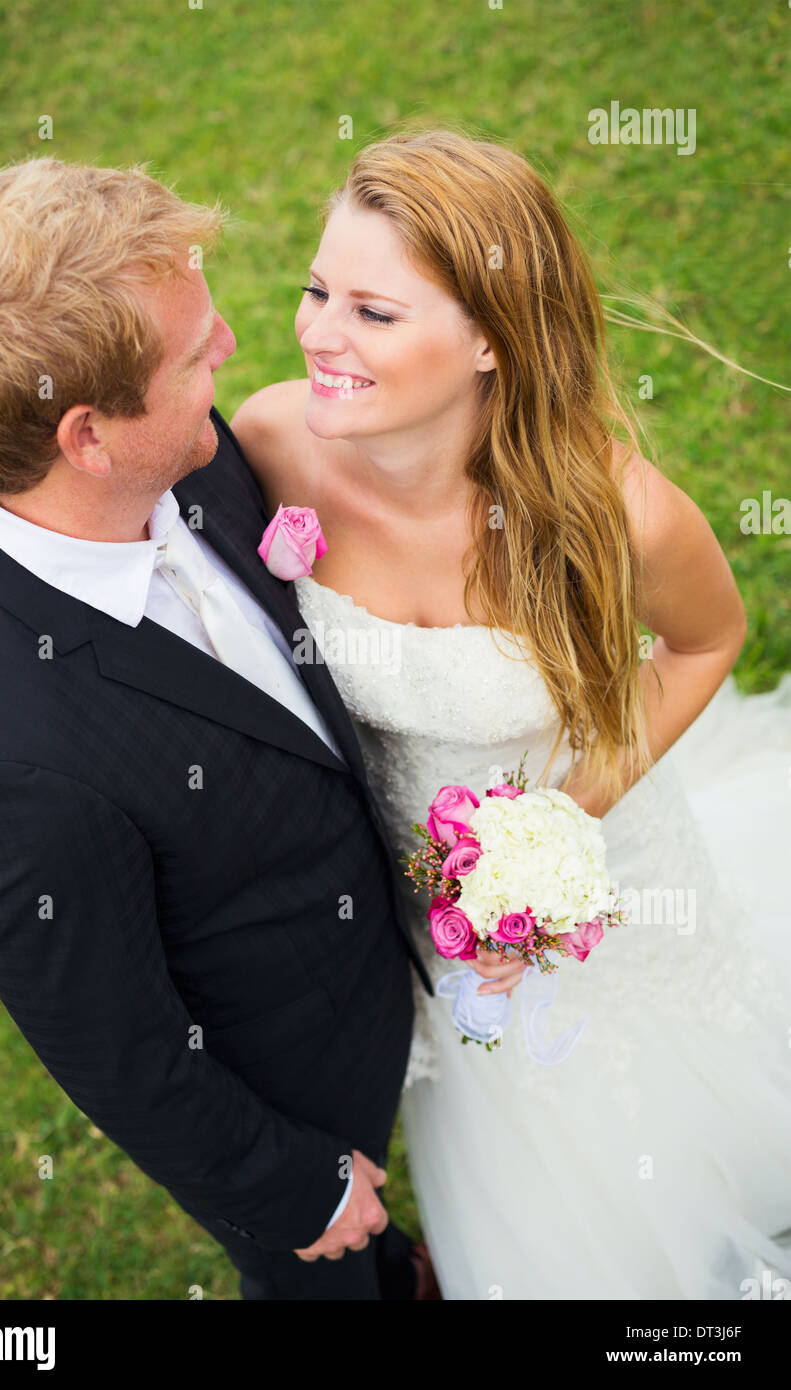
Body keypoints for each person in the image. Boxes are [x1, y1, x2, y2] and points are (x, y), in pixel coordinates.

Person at [232, 128, 791, 1300]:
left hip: (601, 872)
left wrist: (556, 826)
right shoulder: (275, 444)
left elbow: (705, 640)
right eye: (316, 289)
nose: (318, 334)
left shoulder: (614, 515)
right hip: (413, 921)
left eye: (372, 313)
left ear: (489, 333)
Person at [0, 157, 441, 1301]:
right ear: (88, 437)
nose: (236, 350)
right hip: (298, 1104)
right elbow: (118, 1044)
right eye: (195, 353)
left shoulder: (183, 463)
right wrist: (288, 1186)